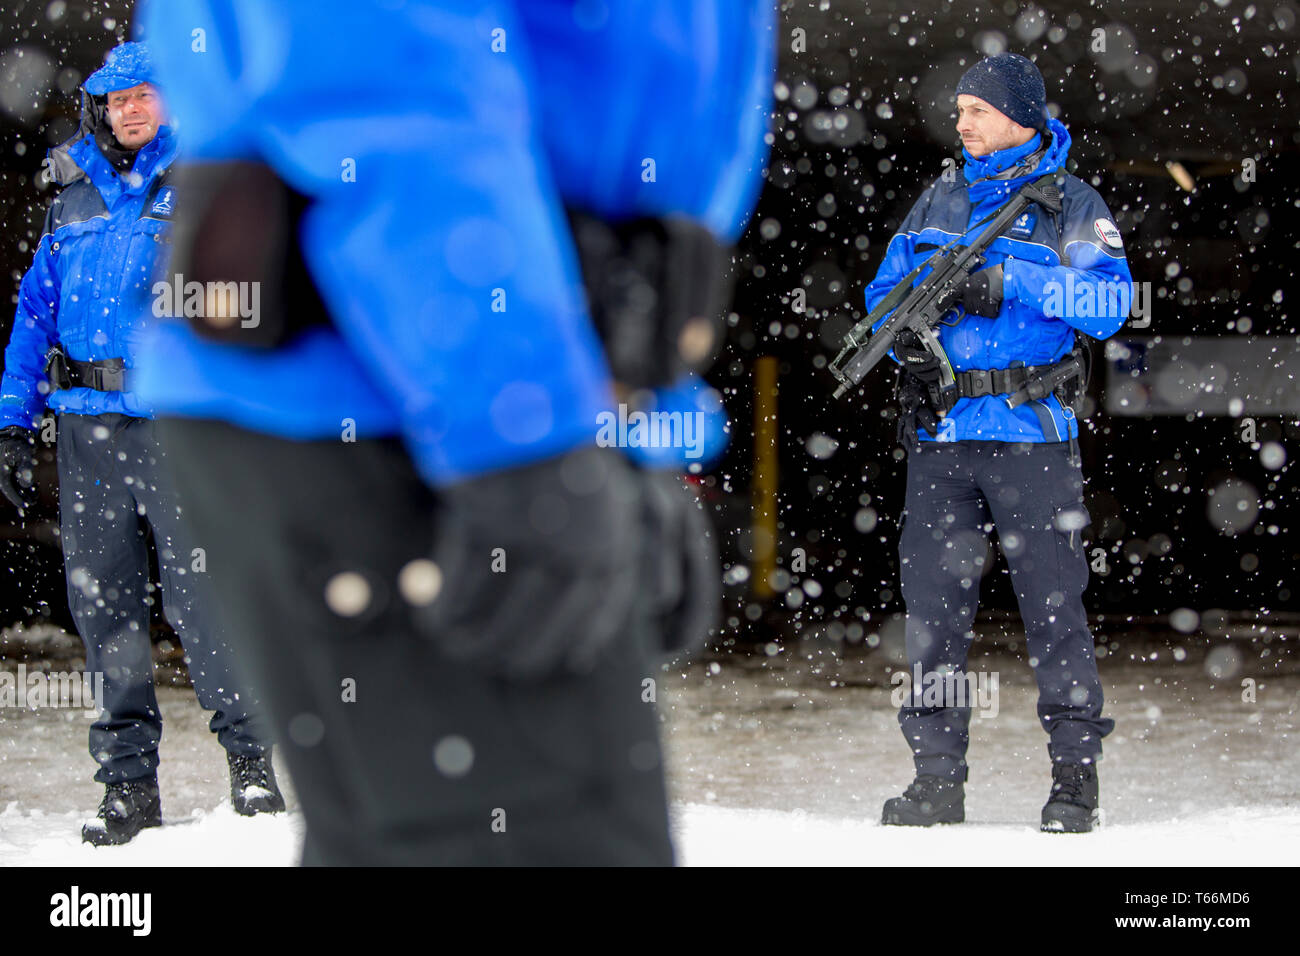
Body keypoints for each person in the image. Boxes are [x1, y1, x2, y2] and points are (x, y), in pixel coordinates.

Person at [134, 0, 773, 864]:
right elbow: (382, 64)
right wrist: (520, 427)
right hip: (400, 396)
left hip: (465, 386)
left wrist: (626, 429)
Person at [0, 42, 281, 846]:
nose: (129, 111)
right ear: (101, 108)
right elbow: (33, 319)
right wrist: (12, 423)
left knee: (208, 609)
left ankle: (252, 769)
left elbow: (244, 307)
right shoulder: (71, 200)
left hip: (179, 432)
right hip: (88, 429)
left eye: (144, 97)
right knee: (106, 614)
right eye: (115, 100)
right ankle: (127, 789)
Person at [865, 54, 1132, 832]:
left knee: (1055, 612)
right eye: (958, 111)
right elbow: (885, 293)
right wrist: (907, 340)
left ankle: (1074, 781)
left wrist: (1012, 283)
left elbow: (1111, 304)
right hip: (944, 437)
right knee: (933, 618)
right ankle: (936, 779)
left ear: (1019, 115)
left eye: (975, 110)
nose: (961, 123)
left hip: (1031, 438)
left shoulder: (1070, 204)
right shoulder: (942, 196)